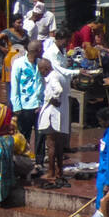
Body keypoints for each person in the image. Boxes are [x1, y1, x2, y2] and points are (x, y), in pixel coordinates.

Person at [35, 57, 71, 186]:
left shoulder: (53, 78)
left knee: (51, 145)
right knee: (59, 145)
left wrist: (52, 99)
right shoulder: (59, 75)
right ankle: (59, 171)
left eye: (40, 69)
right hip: (60, 115)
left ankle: (51, 171)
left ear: (46, 68)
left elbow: (58, 90)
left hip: (52, 116)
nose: (40, 72)